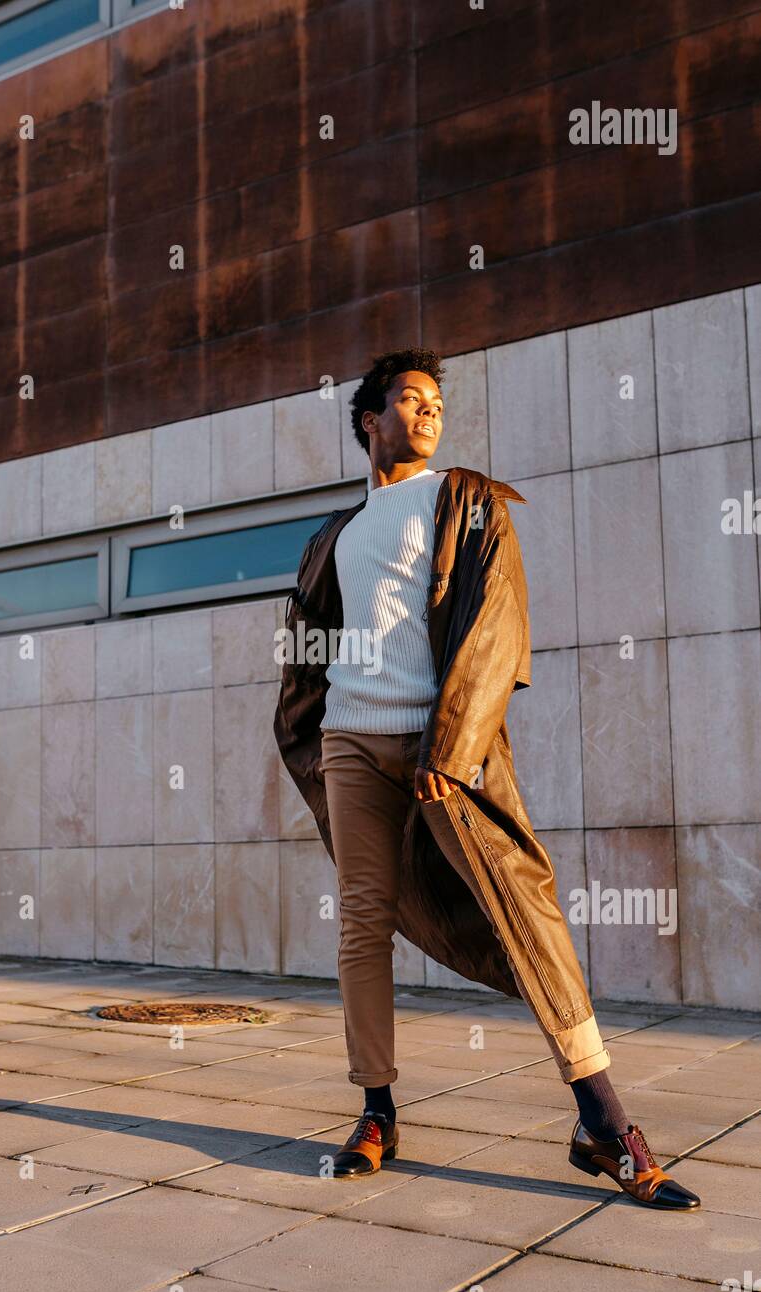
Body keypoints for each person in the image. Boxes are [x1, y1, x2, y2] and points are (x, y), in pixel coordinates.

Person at [276, 347, 700, 1211]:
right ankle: (377, 1110)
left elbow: (497, 623)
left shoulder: (464, 500)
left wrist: (453, 745)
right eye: (409, 399)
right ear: (370, 419)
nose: (428, 413)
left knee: (523, 910)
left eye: (436, 403)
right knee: (362, 923)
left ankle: (604, 1124)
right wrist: (316, 738)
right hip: (354, 740)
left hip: (446, 746)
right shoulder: (336, 536)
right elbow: (308, 648)